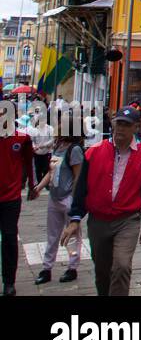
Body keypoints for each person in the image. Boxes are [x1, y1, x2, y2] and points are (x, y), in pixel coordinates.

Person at [62, 106, 141, 297]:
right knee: (102, 269)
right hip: (98, 219)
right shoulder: (94, 152)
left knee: (122, 266)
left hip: (127, 219)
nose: (121, 128)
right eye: (118, 123)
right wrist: (75, 218)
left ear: (136, 128)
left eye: (126, 125)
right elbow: (82, 188)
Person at [30, 112, 83, 284]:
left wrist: (75, 203)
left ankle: (72, 267)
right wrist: (38, 187)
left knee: (73, 235)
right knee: (52, 235)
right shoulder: (58, 146)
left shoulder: (74, 149)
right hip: (54, 197)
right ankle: (47, 269)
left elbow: (78, 177)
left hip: (68, 198)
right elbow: (51, 172)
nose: (59, 126)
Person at [0, 122, 37, 296]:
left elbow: (29, 162)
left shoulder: (22, 138)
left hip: (10, 197)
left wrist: (32, 184)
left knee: (9, 237)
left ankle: (9, 281)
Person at [27, 105, 55, 185]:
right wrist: (34, 146)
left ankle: (45, 183)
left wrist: (44, 145)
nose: (42, 122)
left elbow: (53, 139)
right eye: (40, 121)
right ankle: (39, 183)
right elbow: (31, 140)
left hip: (47, 152)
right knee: (38, 169)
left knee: (46, 168)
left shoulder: (50, 129)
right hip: (37, 153)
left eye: (44, 120)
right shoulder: (35, 129)